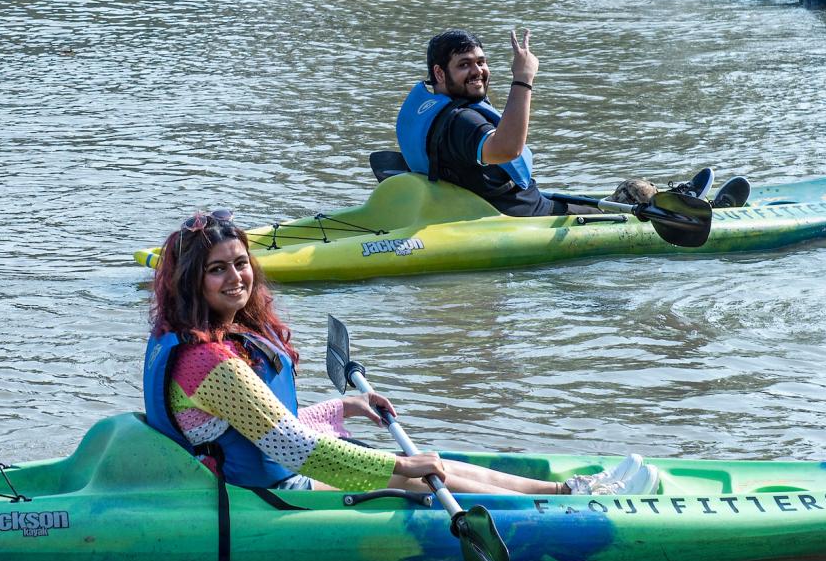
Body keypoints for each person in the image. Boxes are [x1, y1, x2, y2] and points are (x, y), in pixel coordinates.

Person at [144, 209, 660, 496]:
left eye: (240, 263)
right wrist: (400, 467)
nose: (236, 278)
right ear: (192, 282)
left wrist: (342, 407)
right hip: (271, 495)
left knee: (437, 465)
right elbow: (295, 449)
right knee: (426, 479)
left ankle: (565, 492)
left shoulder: (208, 338)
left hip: (270, 475)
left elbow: (258, 426)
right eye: (218, 269)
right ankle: (571, 503)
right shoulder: (210, 362)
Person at [395, 28, 748, 213]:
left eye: (481, 62)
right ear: (439, 73)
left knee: (600, 199)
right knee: (635, 191)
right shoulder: (464, 122)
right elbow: (506, 149)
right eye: (465, 65)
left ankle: (682, 200)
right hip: (524, 217)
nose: (478, 71)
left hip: (506, 204)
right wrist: (523, 78)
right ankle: (698, 209)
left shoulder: (430, 111)